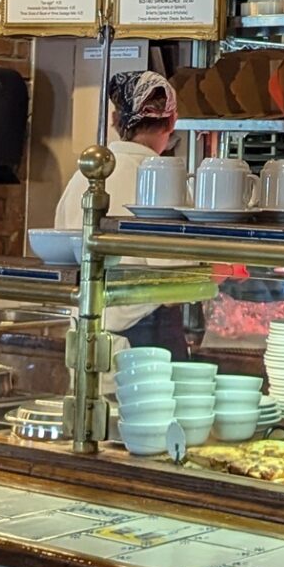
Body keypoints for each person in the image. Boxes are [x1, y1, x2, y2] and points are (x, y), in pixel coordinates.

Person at [52, 69, 188, 354]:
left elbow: (60, 256)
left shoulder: (83, 175)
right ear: (172, 121)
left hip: (85, 331)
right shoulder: (162, 178)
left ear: (115, 121)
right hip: (145, 341)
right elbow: (177, 278)